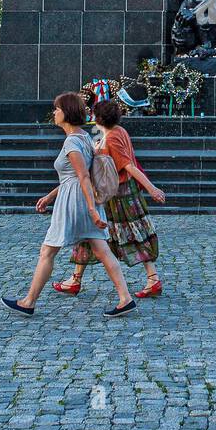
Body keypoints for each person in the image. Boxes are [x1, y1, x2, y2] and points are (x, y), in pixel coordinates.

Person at [0, 92, 136, 319]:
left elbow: (82, 177)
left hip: (75, 202)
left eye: (57, 109)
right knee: (102, 250)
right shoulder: (84, 137)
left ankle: (28, 301)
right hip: (80, 198)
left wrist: (92, 210)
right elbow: (72, 176)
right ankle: (125, 298)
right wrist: (51, 196)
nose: (54, 113)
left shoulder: (72, 141)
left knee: (48, 250)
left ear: (67, 113)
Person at [54, 99, 167, 298]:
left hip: (117, 196)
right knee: (111, 234)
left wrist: (152, 188)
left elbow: (128, 166)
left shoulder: (112, 138)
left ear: (98, 119)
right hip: (122, 193)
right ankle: (76, 279)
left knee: (105, 233)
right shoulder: (118, 132)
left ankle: (153, 279)